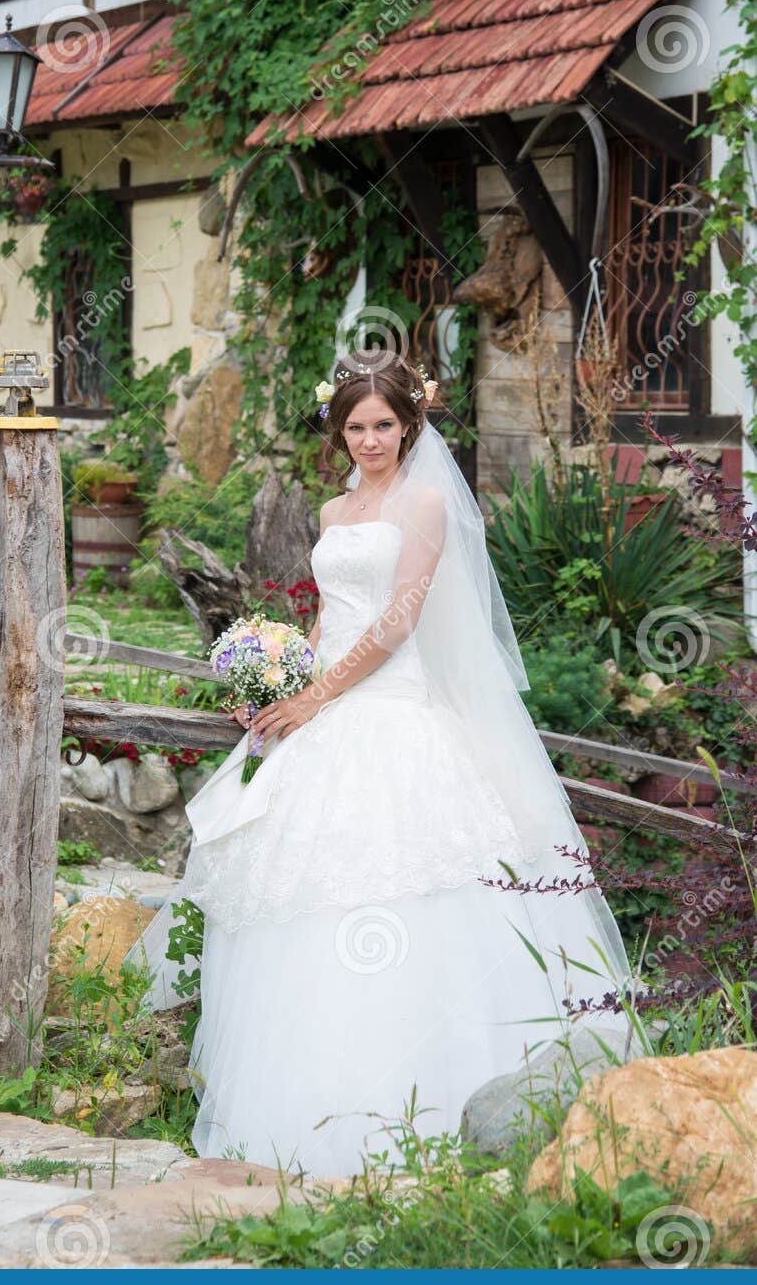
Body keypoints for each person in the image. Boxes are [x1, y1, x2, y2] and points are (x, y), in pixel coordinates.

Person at [129, 352, 635, 1176]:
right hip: (325, 700)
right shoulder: (333, 510)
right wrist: (278, 691)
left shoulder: (424, 503)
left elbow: (398, 622)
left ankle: (442, 1112)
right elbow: (332, 616)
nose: (370, 440)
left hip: (393, 709)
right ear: (339, 432)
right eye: (357, 427)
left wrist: (316, 698)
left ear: (409, 427)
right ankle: (294, 1110)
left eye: (384, 426)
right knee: (290, 880)